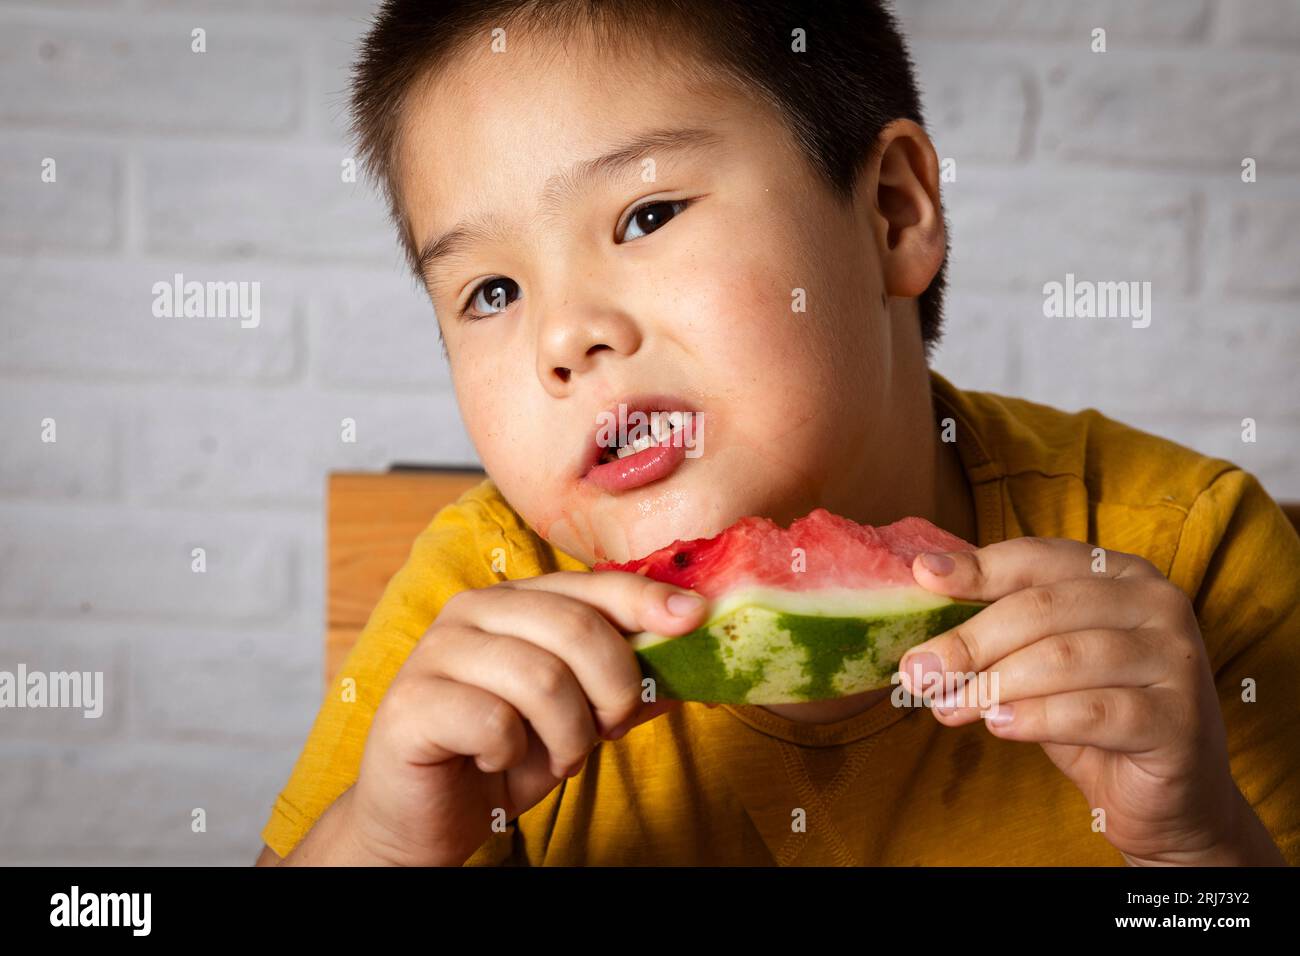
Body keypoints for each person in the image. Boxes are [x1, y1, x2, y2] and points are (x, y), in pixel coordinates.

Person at [255, 0, 1297, 866]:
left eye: (646, 216)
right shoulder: (482, 596)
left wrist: (1194, 848)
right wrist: (385, 845)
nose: (564, 337)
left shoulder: (1188, 554)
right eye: (490, 289)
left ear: (891, 211)